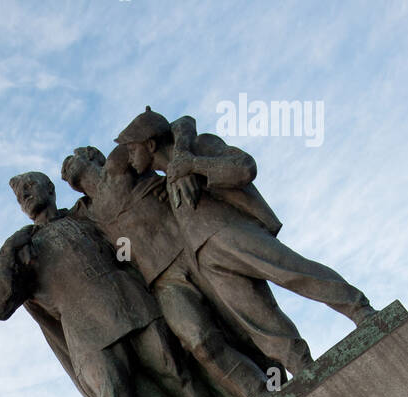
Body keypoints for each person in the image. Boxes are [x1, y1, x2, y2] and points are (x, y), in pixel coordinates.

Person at [0, 171, 223, 397]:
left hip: (133, 305)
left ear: (50, 188)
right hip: (86, 333)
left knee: (178, 372)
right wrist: (7, 253)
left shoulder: (87, 214)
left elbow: (128, 236)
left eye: (30, 187)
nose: (26, 195)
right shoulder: (23, 249)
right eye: (20, 196)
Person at [114, 109, 375, 375]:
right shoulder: (165, 183)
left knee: (292, 271)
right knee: (259, 319)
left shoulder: (199, 146)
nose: (130, 158)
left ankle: (359, 309)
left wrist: (193, 164)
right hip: (205, 258)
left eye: (132, 150)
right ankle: (303, 368)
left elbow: (244, 167)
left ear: (150, 144)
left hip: (230, 231)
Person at [62, 145, 273, 397]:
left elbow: (157, 138)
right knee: (199, 341)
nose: (66, 166)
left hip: (192, 251)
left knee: (243, 323)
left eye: (73, 157)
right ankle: (261, 395)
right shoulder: (82, 215)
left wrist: (175, 172)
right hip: (162, 281)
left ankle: (285, 375)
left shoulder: (118, 162)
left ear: (93, 156)